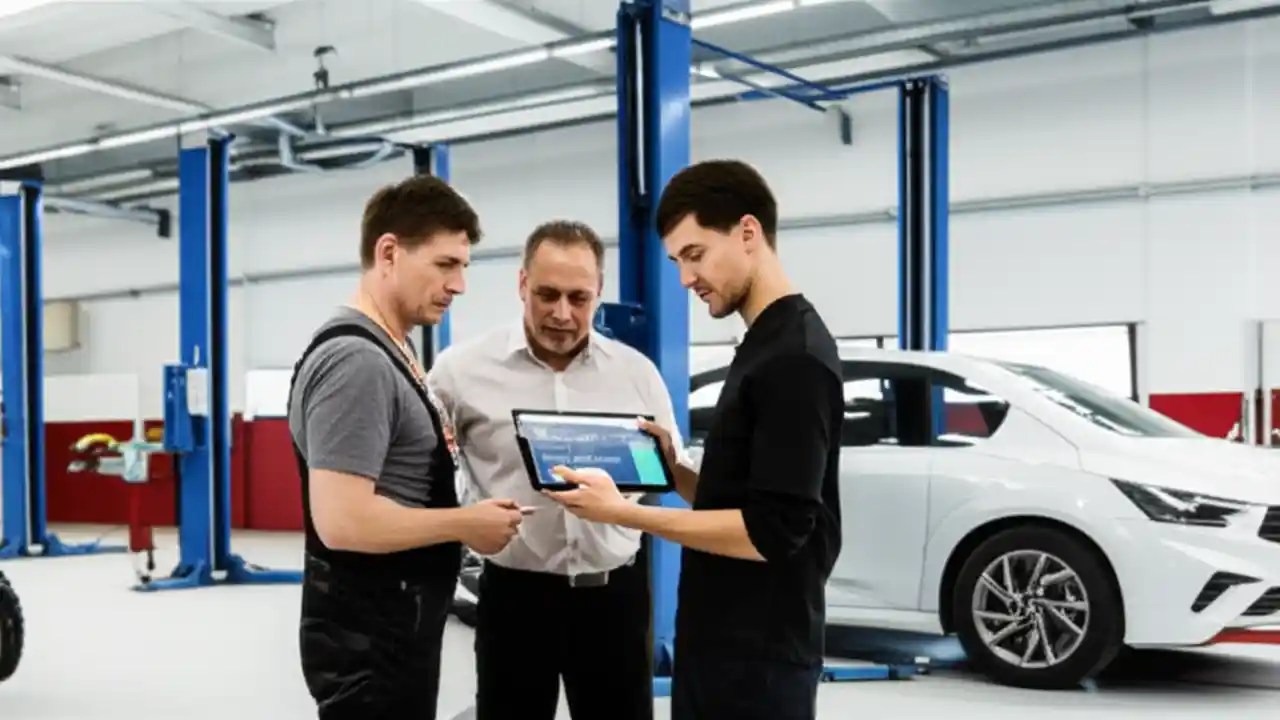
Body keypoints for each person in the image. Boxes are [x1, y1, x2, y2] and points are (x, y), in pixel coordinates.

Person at [544, 160, 844, 720]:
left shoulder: (794, 359)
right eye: (678, 261)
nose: (685, 278)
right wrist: (675, 471)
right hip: (724, 640)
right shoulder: (763, 344)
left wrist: (622, 513)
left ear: (748, 232)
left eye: (695, 254)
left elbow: (773, 532)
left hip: (760, 656)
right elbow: (747, 498)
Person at [288, 174, 527, 720]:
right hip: (368, 638)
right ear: (389, 253)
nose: (459, 284)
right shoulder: (357, 362)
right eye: (445, 264)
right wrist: (466, 524)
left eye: (463, 266)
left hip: (394, 623)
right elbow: (343, 521)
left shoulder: (392, 348)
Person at [427, 220, 682, 720]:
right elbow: (425, 472)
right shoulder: (460, 372)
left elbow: (674, 470)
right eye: (547, 294)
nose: (562, 313)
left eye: (578, 298)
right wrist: (461, 523)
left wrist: (670, 461)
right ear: (522, 283)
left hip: (614, 599)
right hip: (514, 599)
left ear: (599, 291)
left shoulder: (636, 373)